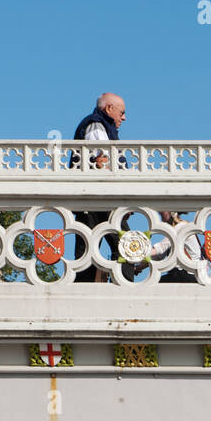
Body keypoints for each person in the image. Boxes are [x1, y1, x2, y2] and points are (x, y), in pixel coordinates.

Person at [72, 93, 126, 281]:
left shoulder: (102, 125)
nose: (124, 117)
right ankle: (124, 292)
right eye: (122, 112)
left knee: (88, 249)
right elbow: (101, 160)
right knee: (125, 246)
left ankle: (84, 291)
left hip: (96, 198)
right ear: (109, 109)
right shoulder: (96, 125)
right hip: (97, 198)